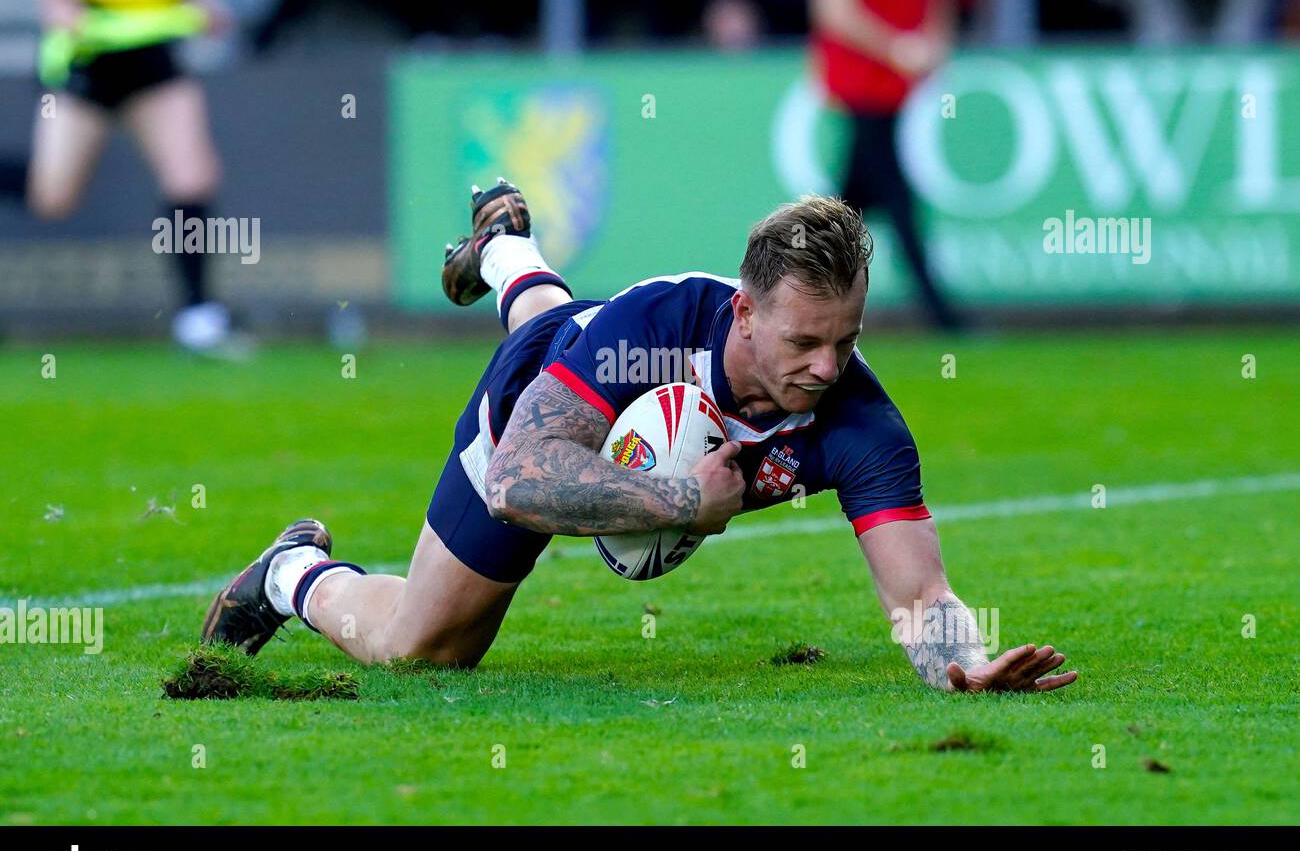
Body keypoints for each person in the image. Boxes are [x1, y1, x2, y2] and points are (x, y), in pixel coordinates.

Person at [201, 180, 1076, 694]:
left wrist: (961, 664)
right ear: (743, 312)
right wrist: (684, 498)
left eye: (845, 339)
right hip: (537, 413)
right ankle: (291, 575)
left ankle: (506, 249)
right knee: (425, 653)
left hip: (589, 352)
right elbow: (517, 479)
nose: (827, 364)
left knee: (562, 322)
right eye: (803, 342)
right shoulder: (659, 324)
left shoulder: (863, 424)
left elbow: (921, 598)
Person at [13, 0, 238, 354]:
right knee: (53, 197)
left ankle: (199, 316)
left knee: (192, 178)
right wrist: (52, 1)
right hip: (92, 42)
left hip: (152, 47)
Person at [808, 0, 964, 330]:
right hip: (860, 85)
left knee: (846, 207)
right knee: (893, 196)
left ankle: (799, 291)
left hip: (892, 90)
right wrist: (897, 47)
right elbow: (834, 8)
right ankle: (939, 311)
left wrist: (933, 46)